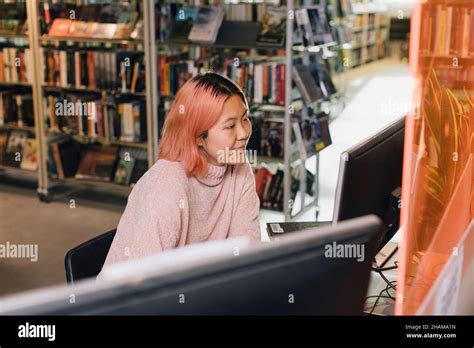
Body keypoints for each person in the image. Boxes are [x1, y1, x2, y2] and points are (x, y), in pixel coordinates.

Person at [97, 72, 261, 278]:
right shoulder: (166, 184)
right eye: (230, 126)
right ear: (199, 137)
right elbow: (139, 282)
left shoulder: (239, 166)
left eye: (245, 118)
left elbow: (248, 250)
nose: (244, 132)